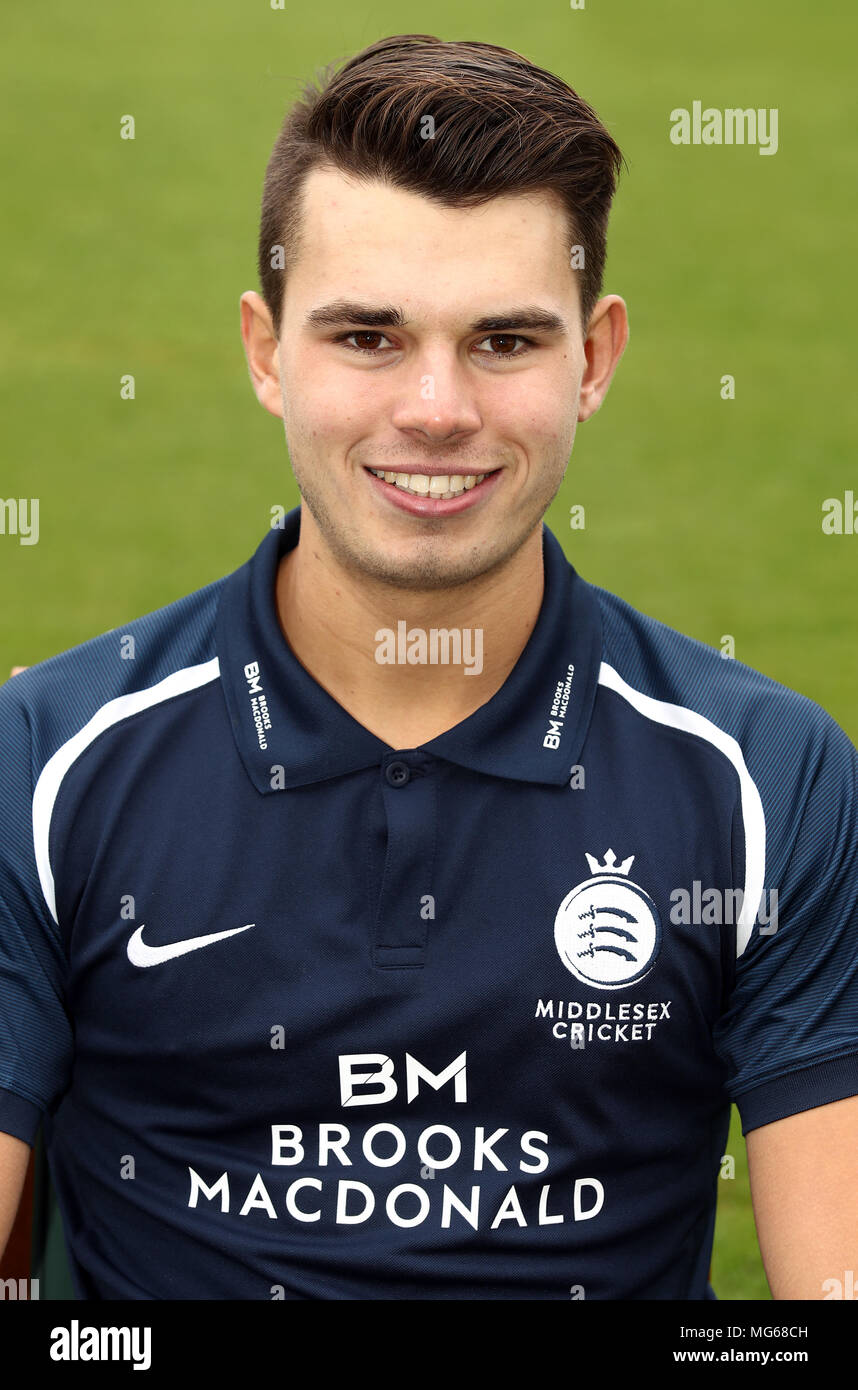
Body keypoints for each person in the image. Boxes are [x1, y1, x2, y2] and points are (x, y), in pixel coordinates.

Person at [0, 33, 855, 1301]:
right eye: (368, 337)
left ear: (596, 357)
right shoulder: (45, 758)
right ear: (265, 350)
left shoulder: (764, 777)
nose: (439, 409)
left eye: (506, 341)